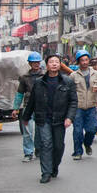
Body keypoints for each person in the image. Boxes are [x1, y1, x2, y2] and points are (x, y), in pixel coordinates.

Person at [29, 54, 78, 184]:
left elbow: (73, 101)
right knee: (46, 144)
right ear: (47, 65)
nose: (54, 64)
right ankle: (45, 172)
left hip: (60, 119)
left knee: (58, 146)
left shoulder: (67, 81)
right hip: (44, 118)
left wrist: (69, 118)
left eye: (57, 62)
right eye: (51, 62)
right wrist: (25, 116)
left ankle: (54, 166)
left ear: (60, 64)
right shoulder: (39, 82)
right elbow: (32, 101)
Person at [69, 50, 97, 160]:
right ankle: (77, 152)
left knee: (92, 129)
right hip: (78, 107)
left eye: (86, 60)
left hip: (91, 106)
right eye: (82, 60)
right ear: (78, 62)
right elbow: (69, 91)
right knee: (78, 131)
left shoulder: (96, 74)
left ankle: (87, 143)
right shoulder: (73, 75)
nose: (84, 62)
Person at [16, 52, 43, 163]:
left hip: (41, 106)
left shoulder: (45, 75)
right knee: (27, 131)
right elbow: (20, 93)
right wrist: (16, 108)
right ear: (30, 63)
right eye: (33, 62)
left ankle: (39, 149)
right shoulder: (24, 77)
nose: (36, 64)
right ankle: (28, 152)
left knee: (40, 130)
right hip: (28, 107)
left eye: (37, 62)